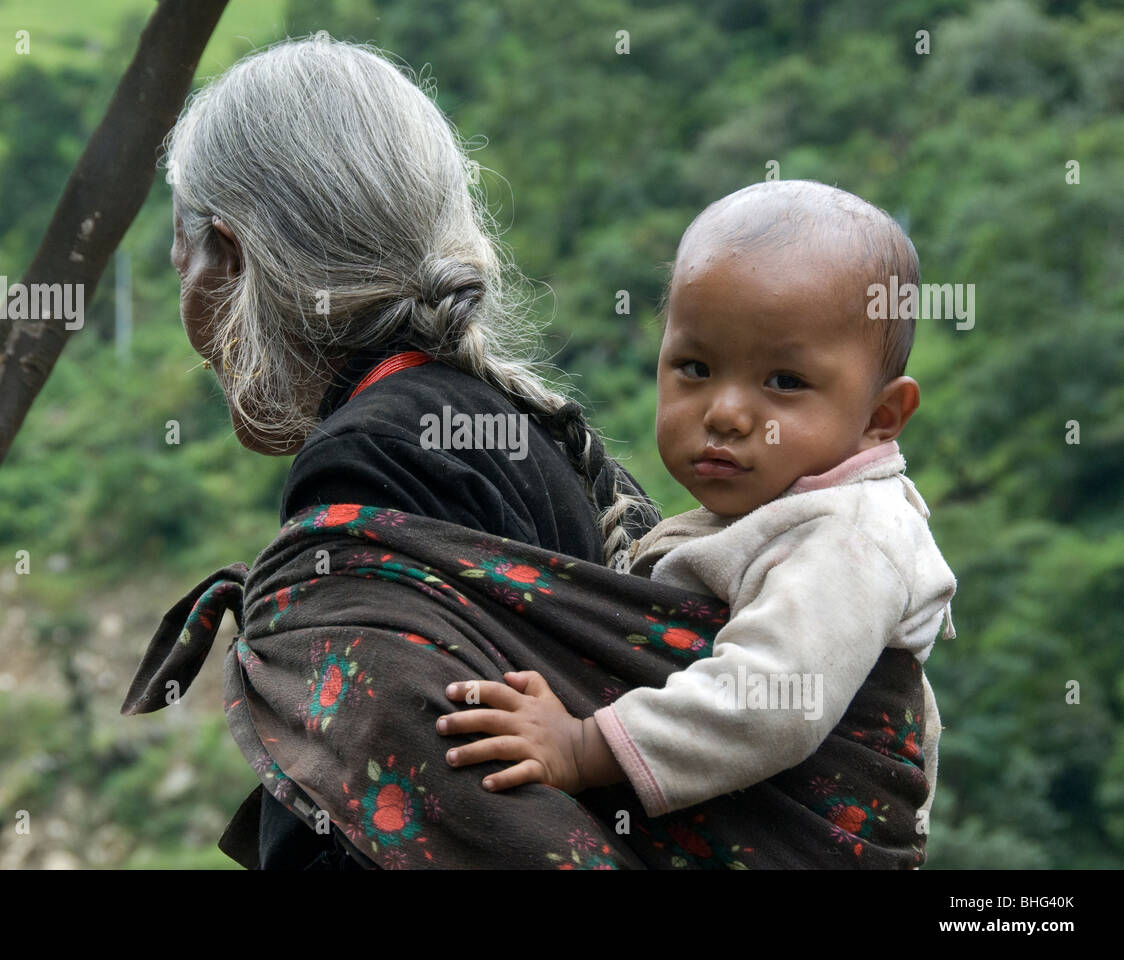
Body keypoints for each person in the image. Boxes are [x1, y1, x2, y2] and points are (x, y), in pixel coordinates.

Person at [164, 36, 656, 869]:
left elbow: (391, 827)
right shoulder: (512, 425)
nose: (179, 284)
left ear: (230, 257)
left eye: (176, 248)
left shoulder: (371, 459)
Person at [438, 180, 956, 835]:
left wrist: (579, 746)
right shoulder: (775, 508)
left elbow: (768, 701)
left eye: (785, 382)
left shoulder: (853, 537)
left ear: (882, 416)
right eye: (695, 367)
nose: (726, 413)